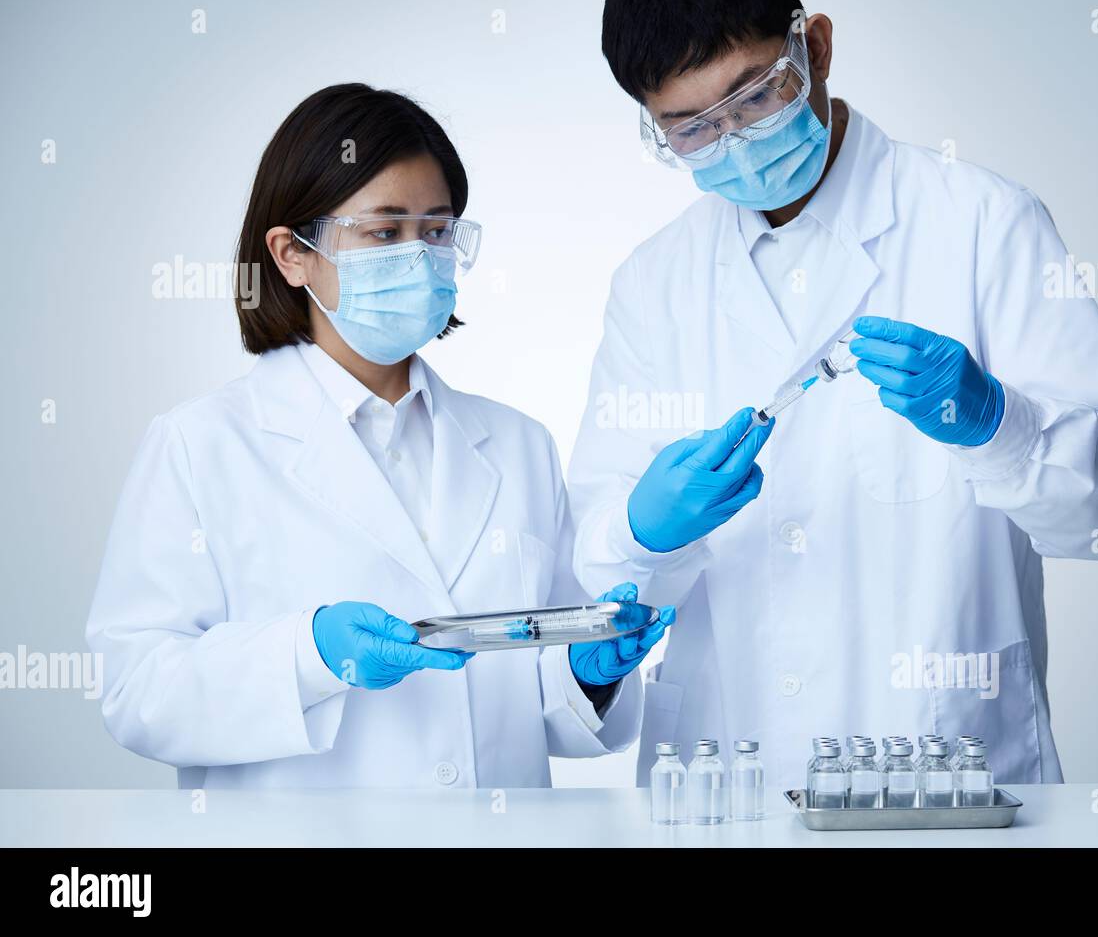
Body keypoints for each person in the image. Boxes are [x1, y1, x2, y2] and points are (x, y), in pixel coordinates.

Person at [569, 0, 1098, 790]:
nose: (735, 140)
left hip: (946, 764)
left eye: (755, 96)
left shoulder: (985, 224)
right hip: (728, 774)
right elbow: (603, 596)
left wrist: (999, 426)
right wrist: (643, 531)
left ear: (812, 48)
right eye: (693, 127)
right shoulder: (652, 284)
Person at [86, 84, 669, 789]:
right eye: (384, 232)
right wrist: (309, 655)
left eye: (436, 231)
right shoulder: (201, 446)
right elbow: (137, 690)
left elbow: (538, 696)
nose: (419, 257)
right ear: (291, 255)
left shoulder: (519, 445)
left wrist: (582, 669)